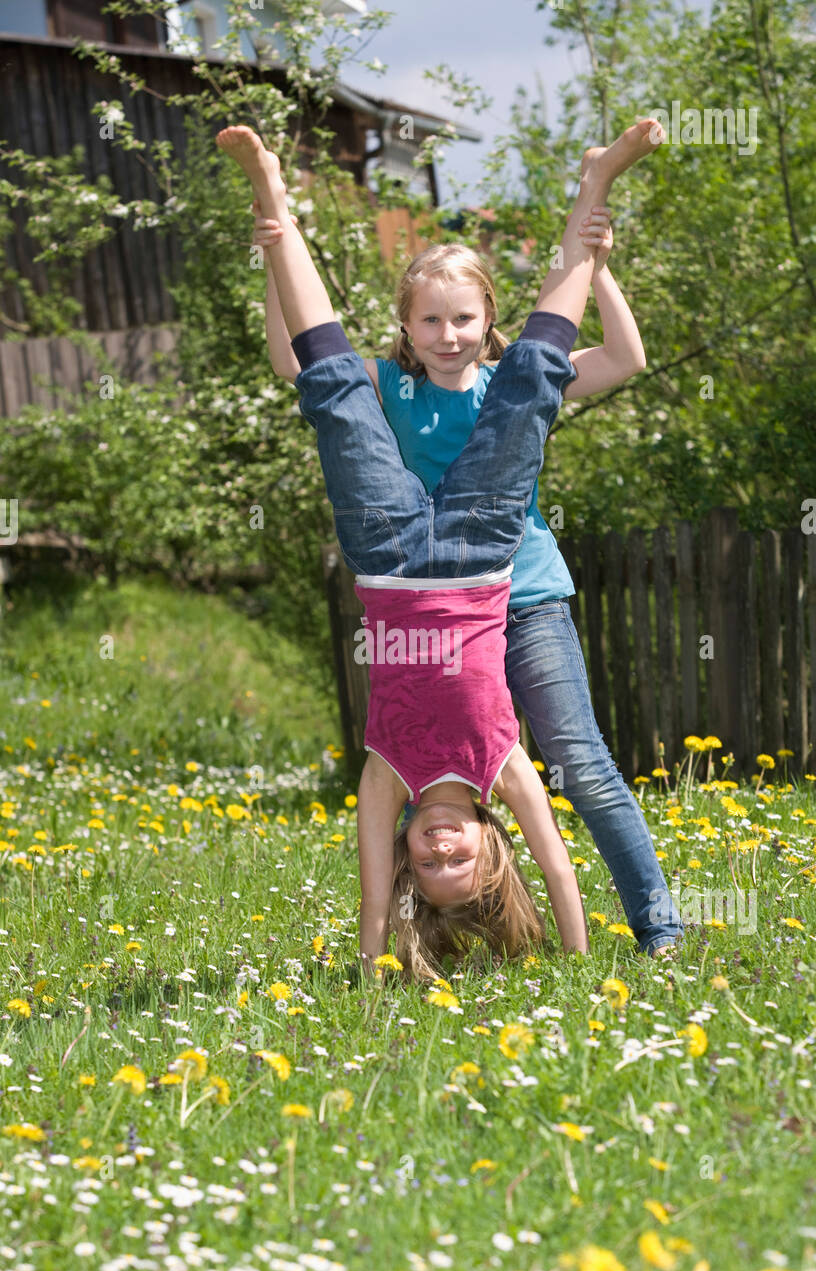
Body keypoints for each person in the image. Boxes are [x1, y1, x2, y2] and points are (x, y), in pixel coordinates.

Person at [216, 119, 672, 980]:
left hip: (393, 555)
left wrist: (372, 959)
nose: (437, 848)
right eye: (433, 319)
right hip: (481, 558)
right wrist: (576, 963)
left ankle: (275, 199)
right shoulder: (500, 765)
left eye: (427, 862)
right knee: (535, 381)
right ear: (488, 841)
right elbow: (556, 864)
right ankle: (593, 186)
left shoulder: (388, 772)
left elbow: (315, 375)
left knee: (331, 389)